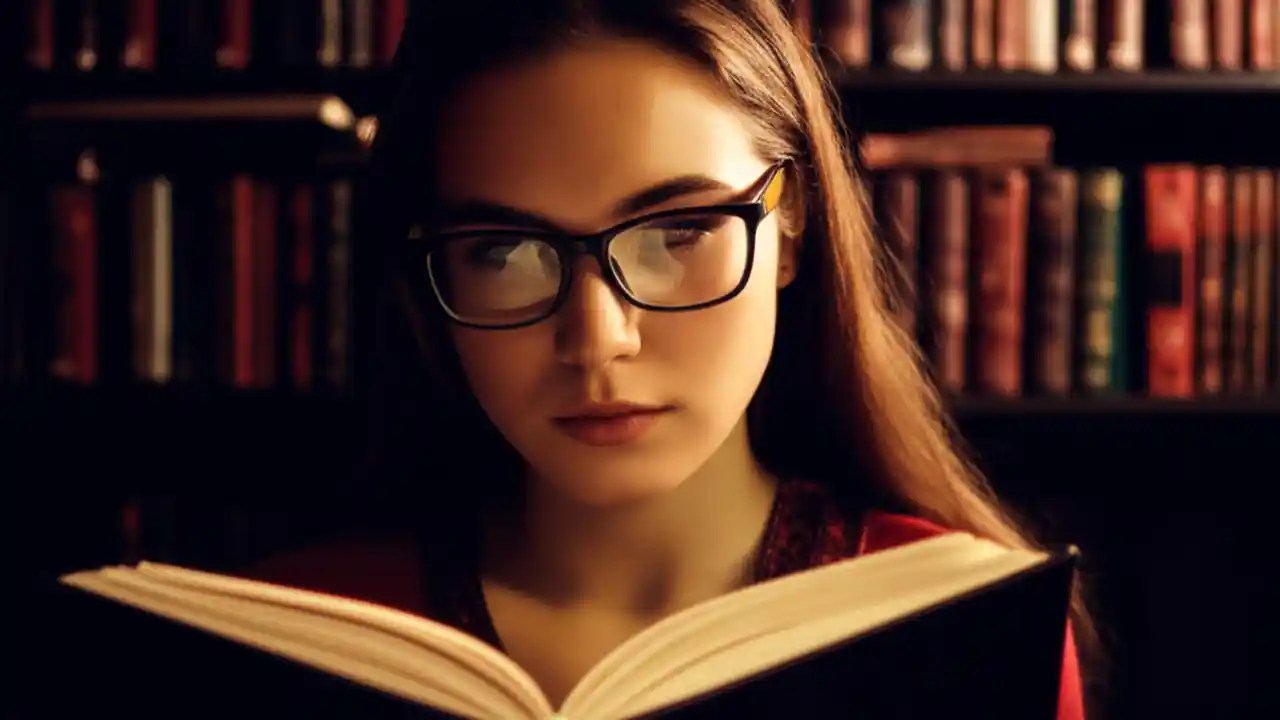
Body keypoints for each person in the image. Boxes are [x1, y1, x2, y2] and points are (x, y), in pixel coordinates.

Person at [248, 1, 1094, 717]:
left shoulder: (967, 626)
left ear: (791, 222)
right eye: (503, 254)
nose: (597, 339)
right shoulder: (294, 631)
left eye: (678, 234)